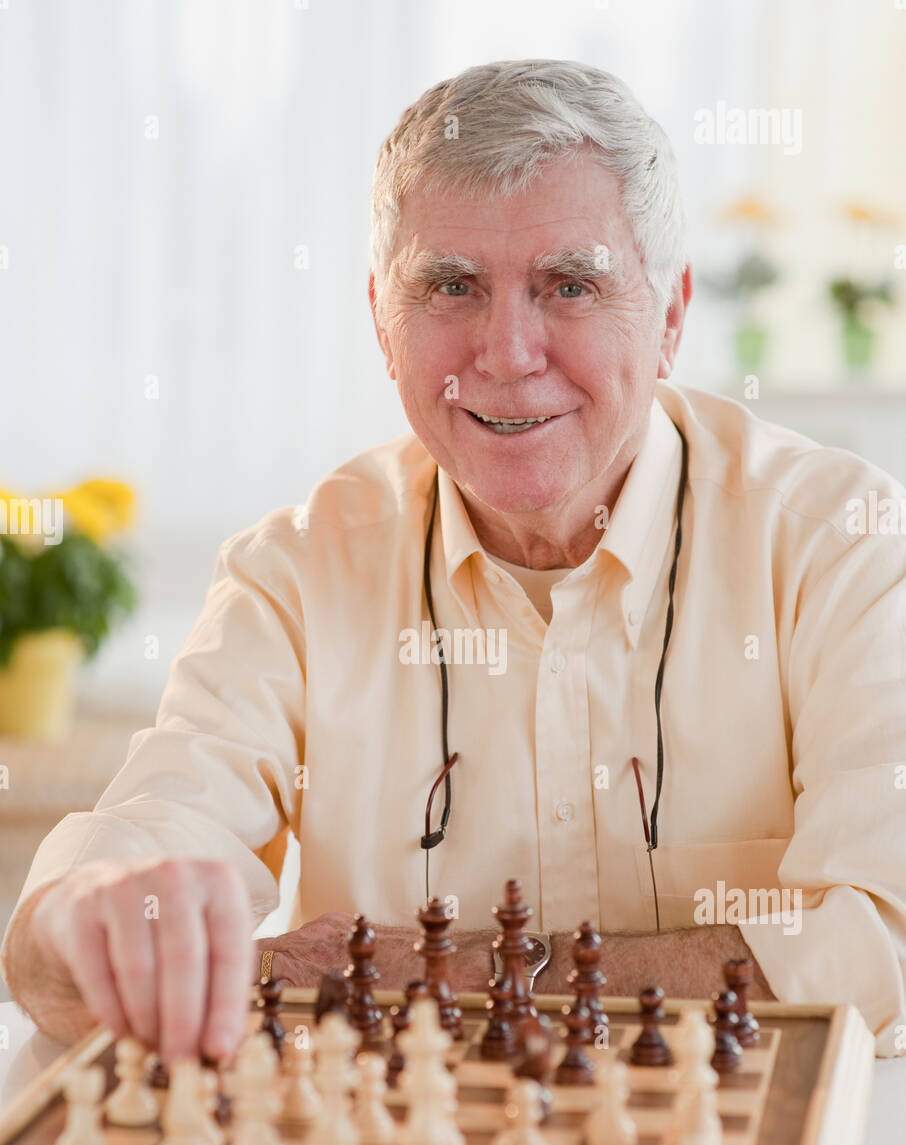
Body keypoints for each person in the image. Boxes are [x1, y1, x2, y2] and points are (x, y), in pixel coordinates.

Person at [3, 59, 905, 1065]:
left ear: (672, 318)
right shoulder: (294, 573)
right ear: (382, 323)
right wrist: (80, 920)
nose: (507, 351)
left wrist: (435, 973)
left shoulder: (845, 542)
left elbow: (882, 944)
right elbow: (116, 883)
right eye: (450, 286)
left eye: (571, 283)